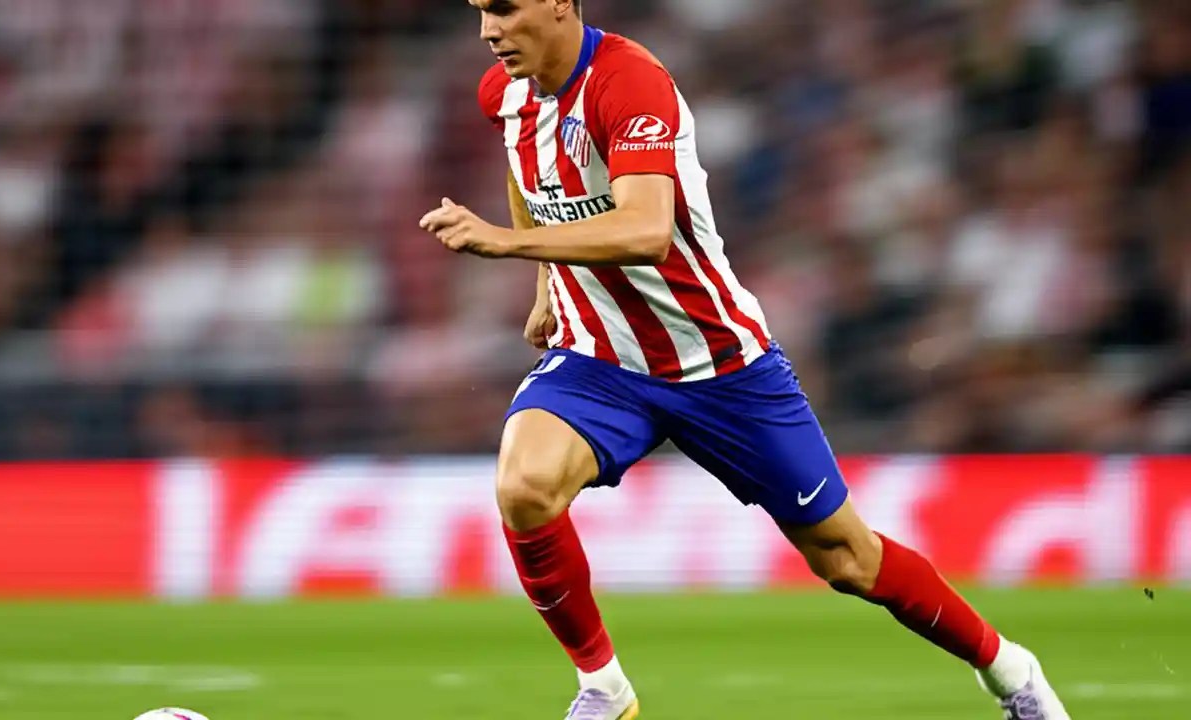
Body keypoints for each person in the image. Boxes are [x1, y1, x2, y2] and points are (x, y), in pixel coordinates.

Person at [418, 2, 1072, 718]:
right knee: (525, 486)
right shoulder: (503, 93)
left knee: (847, 559)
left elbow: (646, 230)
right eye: (481, 10)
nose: (488, 30)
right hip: (599, 358)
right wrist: (547, 285)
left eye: (504, 8)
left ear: (560, 2)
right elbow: (528, 175)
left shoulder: (628, 81)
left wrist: (506, 244)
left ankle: (1010, 670)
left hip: (719, 363)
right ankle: (603, 687)